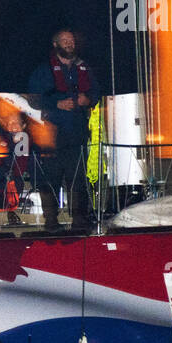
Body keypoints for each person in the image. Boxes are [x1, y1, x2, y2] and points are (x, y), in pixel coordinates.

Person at [28, 28, 99, 232]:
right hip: (51, 134)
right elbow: (34, 98)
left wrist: (89, 99)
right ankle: (51, 221)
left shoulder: (84, 69)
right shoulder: (43, 71)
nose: (69, 43)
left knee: (77, 178)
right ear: (56, 44)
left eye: (71, 40)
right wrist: (57, 104)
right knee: (50, 179)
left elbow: (96, 91)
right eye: (64, 40)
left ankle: (80, 220)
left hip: (76, 133)